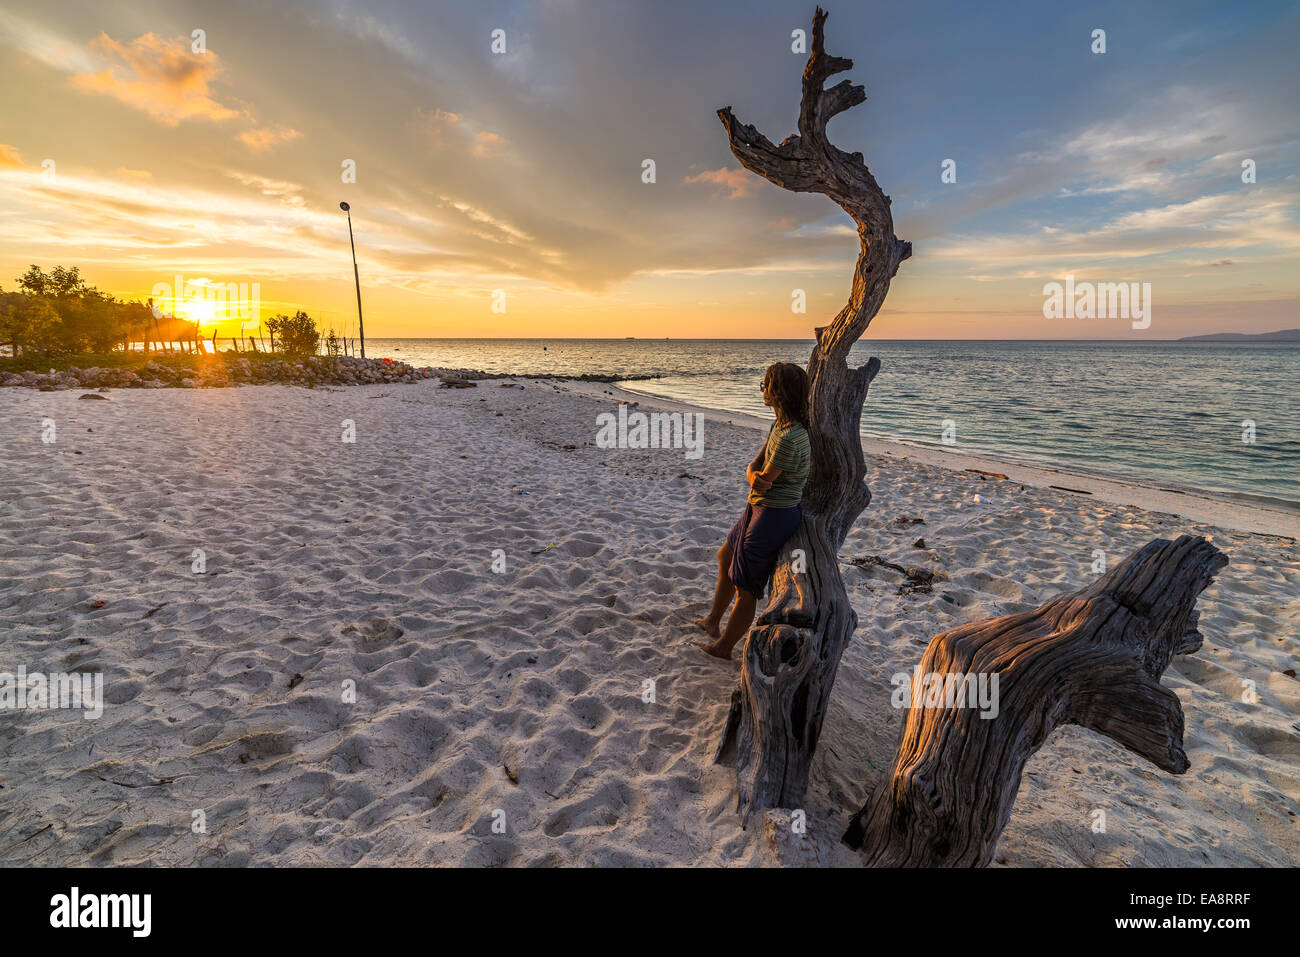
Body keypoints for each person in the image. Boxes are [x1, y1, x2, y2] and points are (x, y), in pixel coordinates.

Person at [694, 362, 811, 659]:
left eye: (765, 385)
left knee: (746, 585)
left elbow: (762, 482)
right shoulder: (778, 426)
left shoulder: (790, 437)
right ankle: (712, 621)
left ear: (778, 393)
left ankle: (723, 648)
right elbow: (756, 465)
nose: (762, 389)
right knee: (725, 555)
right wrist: (752, 474)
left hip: (773, 514)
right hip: (757, 507)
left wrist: (751, 475)